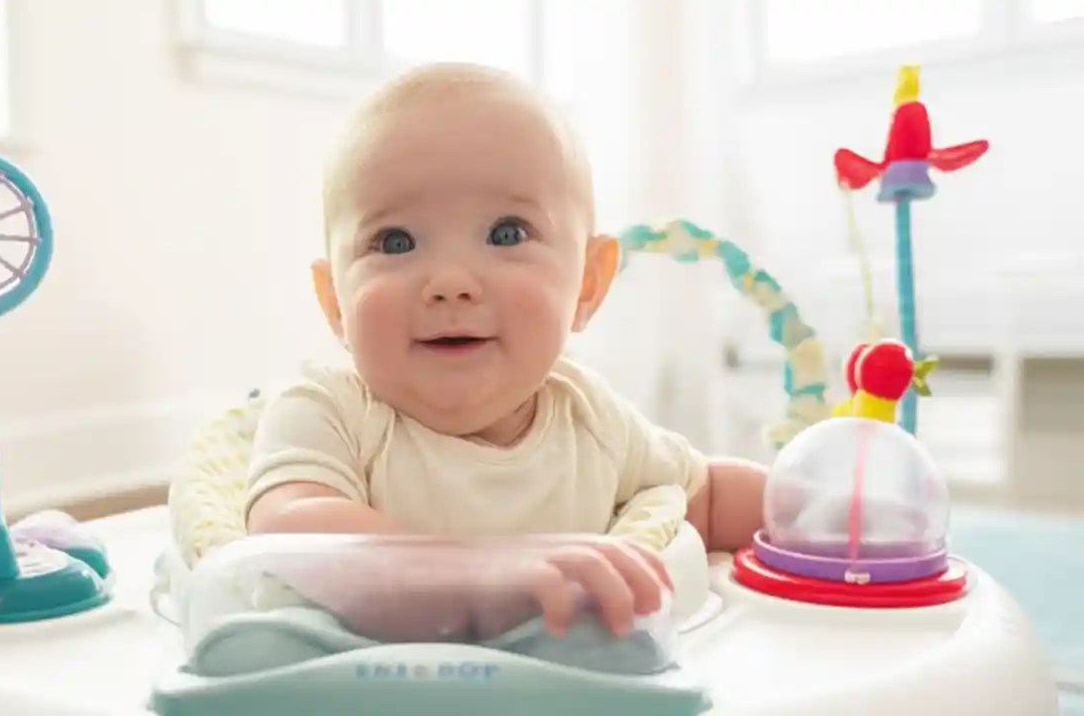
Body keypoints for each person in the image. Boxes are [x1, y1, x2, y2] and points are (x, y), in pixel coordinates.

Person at [176, 62, 767, 642]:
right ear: (335, 302)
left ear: (588, 283)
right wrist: (474, 575)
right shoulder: (329, 413)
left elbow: (705, 497)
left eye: (507, 233)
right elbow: (290, 531)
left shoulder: (592, 420)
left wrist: (814, 508)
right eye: (396, 241)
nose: (451, 280)